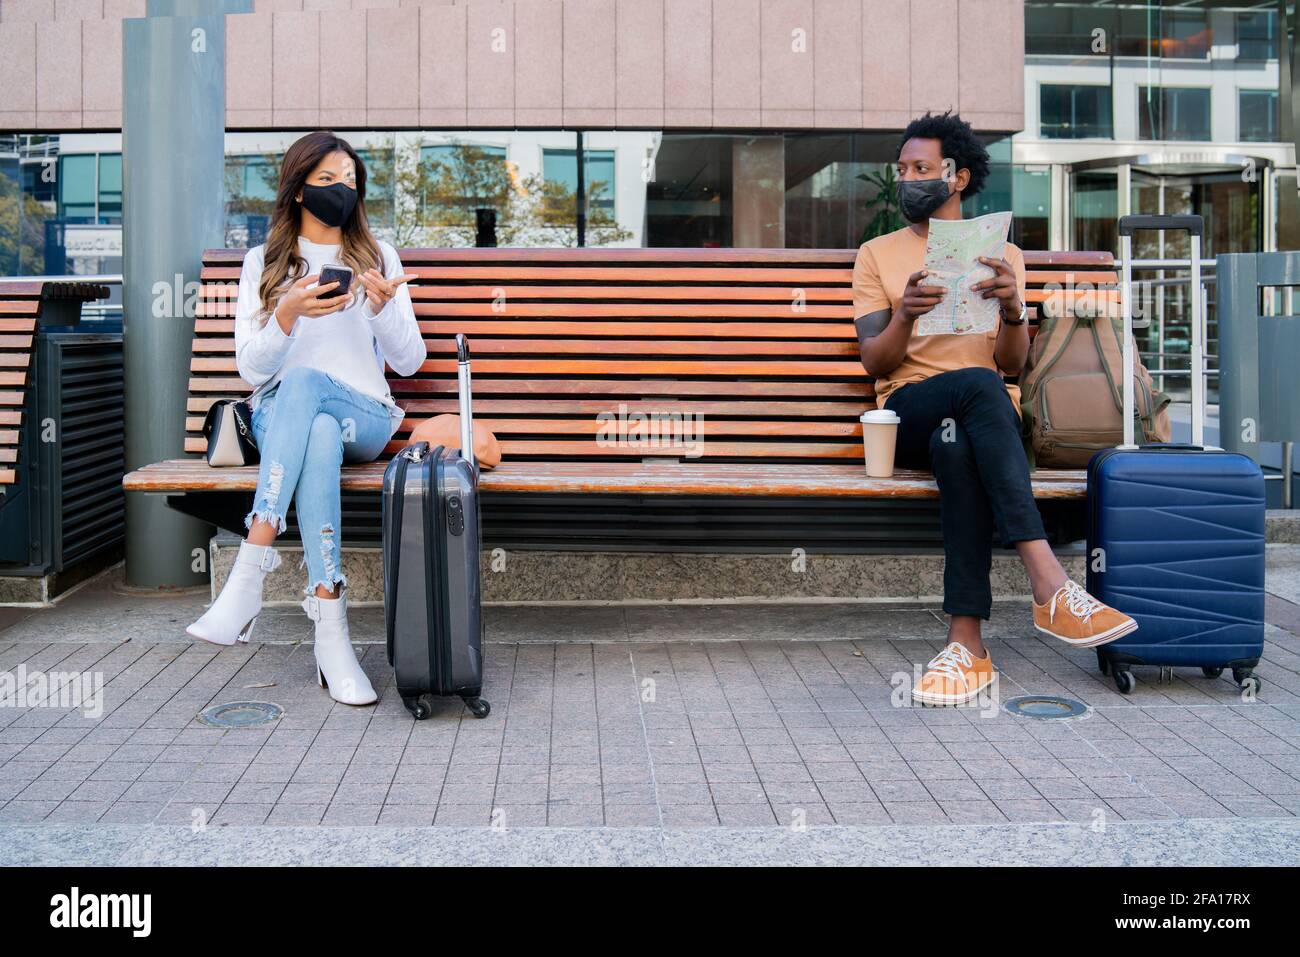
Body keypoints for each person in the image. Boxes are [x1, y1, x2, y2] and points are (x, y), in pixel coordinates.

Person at [853, 112, 1137, 706]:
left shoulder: (1001, 253)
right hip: (910, 411)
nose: (907, 179)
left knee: (963, 438)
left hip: (978, 422)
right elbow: (876, 364)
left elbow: (1012, 364)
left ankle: (968, 649)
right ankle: (1050, 584)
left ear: (956, 178)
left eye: (921, 169)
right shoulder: (877, 254)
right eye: (902, 169)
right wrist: (906, 312)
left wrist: (1013, 308)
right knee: (973, 390)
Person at [187, 131, 426, 707]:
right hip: (288, 423)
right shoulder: (264, 263)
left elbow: (409, 362)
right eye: (326, 181)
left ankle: (251, 570)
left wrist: (382, 310)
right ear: (298, 191)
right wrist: (287, 316)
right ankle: (332, 636)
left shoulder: (379, 257)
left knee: (309, 390)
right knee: (309, 416)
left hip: (363, 418)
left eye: (349, 181)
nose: (341, 191)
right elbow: (250, 368)